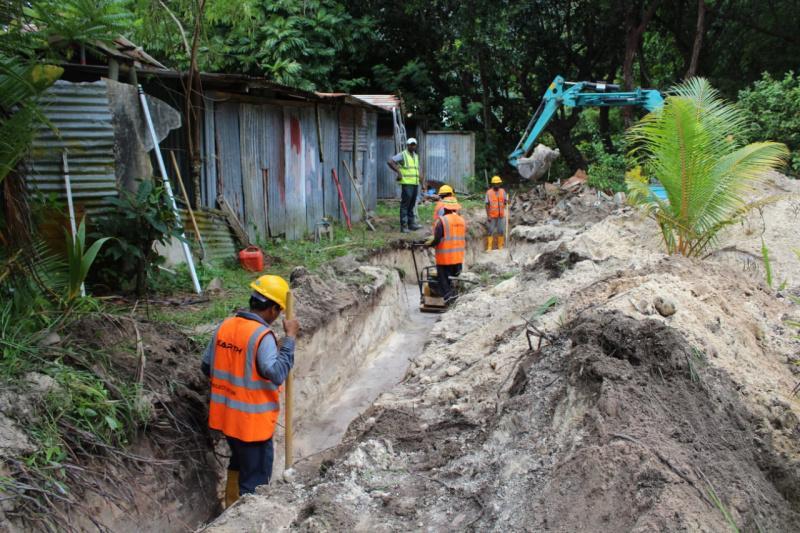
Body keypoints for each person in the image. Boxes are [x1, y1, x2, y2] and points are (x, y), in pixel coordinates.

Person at [201, 274, 299, 507]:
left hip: (227, 418)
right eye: (279, 311)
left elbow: (206, 366)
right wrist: (289, 339)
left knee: (239, 462)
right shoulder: (262, 336)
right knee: (254, 481)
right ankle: (245, 517)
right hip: (252, 425)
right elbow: (276, 373)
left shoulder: (226, 326)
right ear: (274, 309)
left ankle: (230, 508)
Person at [426, 197, 466, 304]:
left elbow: (437, 239)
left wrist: (430, 244)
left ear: (445, 208)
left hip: (445, 259)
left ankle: (449, 302)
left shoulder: (442, 221)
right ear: (455, 208)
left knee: (445, 283)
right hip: (458, 258)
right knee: (455, 281)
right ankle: (456, 301)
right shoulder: (462, 220)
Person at [387, 138, 423, 232]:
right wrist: (398, 172)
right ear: (407, 145)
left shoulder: (415, 156)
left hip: (415, 183)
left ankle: (411, 224)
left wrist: (421, 181)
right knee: (405, 205)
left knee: (412, 205)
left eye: (414, 144)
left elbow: (417, 169)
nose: (413, 146)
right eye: (411, 144)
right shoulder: (403, 155)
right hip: (407, 183)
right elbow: (390, 161)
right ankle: (404, 226)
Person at [485, 175, 508, 251]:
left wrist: (506, 201)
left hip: (501, 215)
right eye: (495, 183)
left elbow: (505, 201)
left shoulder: (503, 191)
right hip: (492, 215)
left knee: (501, 231)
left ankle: (500, 246)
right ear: (493, 184)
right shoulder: (489, 192)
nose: (497, 185)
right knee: (490, 231)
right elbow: (487, 205)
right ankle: (489, 247)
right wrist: (488, 216)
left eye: (498, 183)